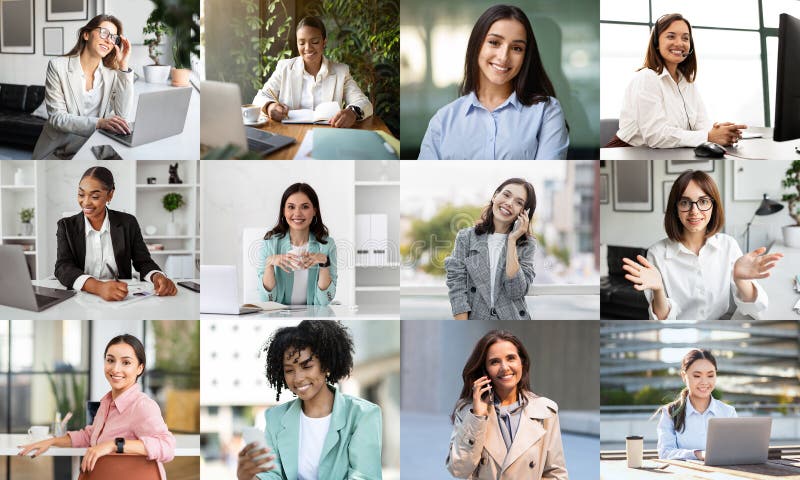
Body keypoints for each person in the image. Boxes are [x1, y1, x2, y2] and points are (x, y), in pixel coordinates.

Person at [622, 170, 782, 320]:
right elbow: (662, 320)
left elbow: (756, 310)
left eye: (703, 201)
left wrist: (741, 280)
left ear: (714, 206)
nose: (694, 211)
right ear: (675, 208)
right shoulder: (656, 253)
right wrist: (658, 290)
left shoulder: (728, 245)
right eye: (685, 202)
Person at [418, 4, 569, 160]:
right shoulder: (443, 120)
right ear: (477, 45)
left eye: (517, 48)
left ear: (526, 57)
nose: (503, 57)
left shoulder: (546, 112)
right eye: (494, 42)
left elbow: (545, 179)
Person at [237, 320, 382, 480]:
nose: (298, 378)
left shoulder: (362, 415)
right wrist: (249, 478)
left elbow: (365, 476)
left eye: (307, 366)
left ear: (326, 365)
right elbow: (272, 475)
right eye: (289, 370)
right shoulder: (275, 418)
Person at [18, 334, 176, 478]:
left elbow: (167, 447)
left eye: (126, 362)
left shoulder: (142, 405)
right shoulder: (106, 404)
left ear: (140, 368)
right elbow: (90, 436)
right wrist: (51, 441)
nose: (115, 369)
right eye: (110, 360)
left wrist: (114, 445)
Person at [608, 13, 746, 148]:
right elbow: (655, 136)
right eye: (671, 36)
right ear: (656, 43)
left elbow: (700, 123)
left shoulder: (687, 81)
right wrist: (709, 137)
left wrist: (722, 132)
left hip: (669, 151)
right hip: (628, 151)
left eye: (685, 39)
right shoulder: (647, 78)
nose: (679, 43)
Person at [447, 330, 567, 479]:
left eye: (511, 358)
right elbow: (459, 470)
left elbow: (556, 474)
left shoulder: (545, 410)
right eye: (494, 362)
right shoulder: (467, 412)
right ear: (485, 370)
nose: (504, 367)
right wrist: (478, 417)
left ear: (521, 362)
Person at [54, 166, 178, 301]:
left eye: (95, 196)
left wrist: (157, 276)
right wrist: (98, 287)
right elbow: (63, 267)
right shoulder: (66, 226)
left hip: (120, 297)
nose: (86, 202)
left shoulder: (128, 222)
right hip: (79, 298)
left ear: (110, 194)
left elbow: (143, 261)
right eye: (81, 194)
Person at [32, 14, 134, 159]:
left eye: (113, 37)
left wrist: (123, 67)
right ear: (86, 34)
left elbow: (122, 115)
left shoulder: (112, 74)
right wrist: (99, 123)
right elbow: (57, 118)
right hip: (56, 151)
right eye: (104, 32)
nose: (108, 40)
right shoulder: (57, 66)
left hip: (89, 150)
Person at [252, 16, 373, 128]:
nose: (308, 48)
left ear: (324, 43)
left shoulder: (341, 72)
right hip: (290, 133)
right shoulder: (284, 68)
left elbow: (364, 102)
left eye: (314, 42)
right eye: (301, 43)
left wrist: (352, 112)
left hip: (328, 134)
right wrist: (270, 106)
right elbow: (260, 97)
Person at [445, 178, 536, 320]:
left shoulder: (527, 244)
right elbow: (456, 286)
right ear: (495, 196)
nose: (509, 203)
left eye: (519, 202)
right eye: (506, 195)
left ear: (524, 213)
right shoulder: (466, 237)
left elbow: (515, 291)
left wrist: (512, 240)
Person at [256, 183, 337, 305]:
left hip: (313, 316)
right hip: (280, 316)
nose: (297, 213)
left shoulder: (326, 245)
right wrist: (270, 264)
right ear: (283, 211)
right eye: (291, 207)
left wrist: (324, 262)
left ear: (314, 211)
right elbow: (267, 301)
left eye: (305, 207)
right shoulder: (270, 244)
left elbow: (325, 301)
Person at [657, 349, 736, 460]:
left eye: (710, 375)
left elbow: (736, 450)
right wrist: (697, 454)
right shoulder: (670, 413)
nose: (704, 382)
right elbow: (665, 453)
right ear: (684, 376)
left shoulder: (728, 412)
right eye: (697, 376)